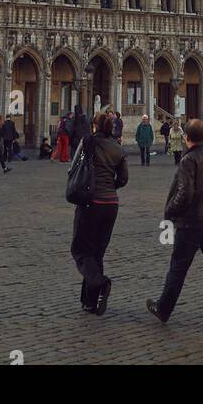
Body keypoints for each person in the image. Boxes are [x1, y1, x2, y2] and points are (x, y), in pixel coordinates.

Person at [146, 119, 203, 333]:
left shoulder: (188, 160)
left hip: (191, 224)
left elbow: (185, 193)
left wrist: (171, 210)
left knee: (178, 268)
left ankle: (163, 309)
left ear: (186, 137)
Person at [71, 112, 128, 315]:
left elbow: (74, 166)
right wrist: (108, 186)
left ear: (95, 126)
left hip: (91, 202)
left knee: (80, 250)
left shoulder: (89, 143)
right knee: (96, 253)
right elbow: (123, 179)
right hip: (111, 204)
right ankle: (90, 301)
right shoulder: (118, 149)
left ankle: (101, 283)